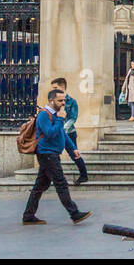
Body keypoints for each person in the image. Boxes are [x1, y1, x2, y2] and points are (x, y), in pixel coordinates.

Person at [22, 87, 92, 226]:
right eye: (60, 101)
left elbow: (62, 134)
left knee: (40, 186)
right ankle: (74, 213)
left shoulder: (55, 115)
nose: (63, 103)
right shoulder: (44, 115)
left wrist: (73, 148)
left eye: (64, 100)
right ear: (51, 100)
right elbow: (49, 133)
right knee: (60, 183)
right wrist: (60, 119)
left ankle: (28, 215)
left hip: (52, 154)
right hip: (46, 154)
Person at [47, 77, 88, 184]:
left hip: (68, 133)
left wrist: (63, 128)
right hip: (56, 131)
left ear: (62, 87)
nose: (52, 90)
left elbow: (73, 118)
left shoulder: (72, 101)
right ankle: (47, 179)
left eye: (55, 87)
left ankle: (84, 175)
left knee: (74, 153)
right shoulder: (53, 100)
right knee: (51, 155)